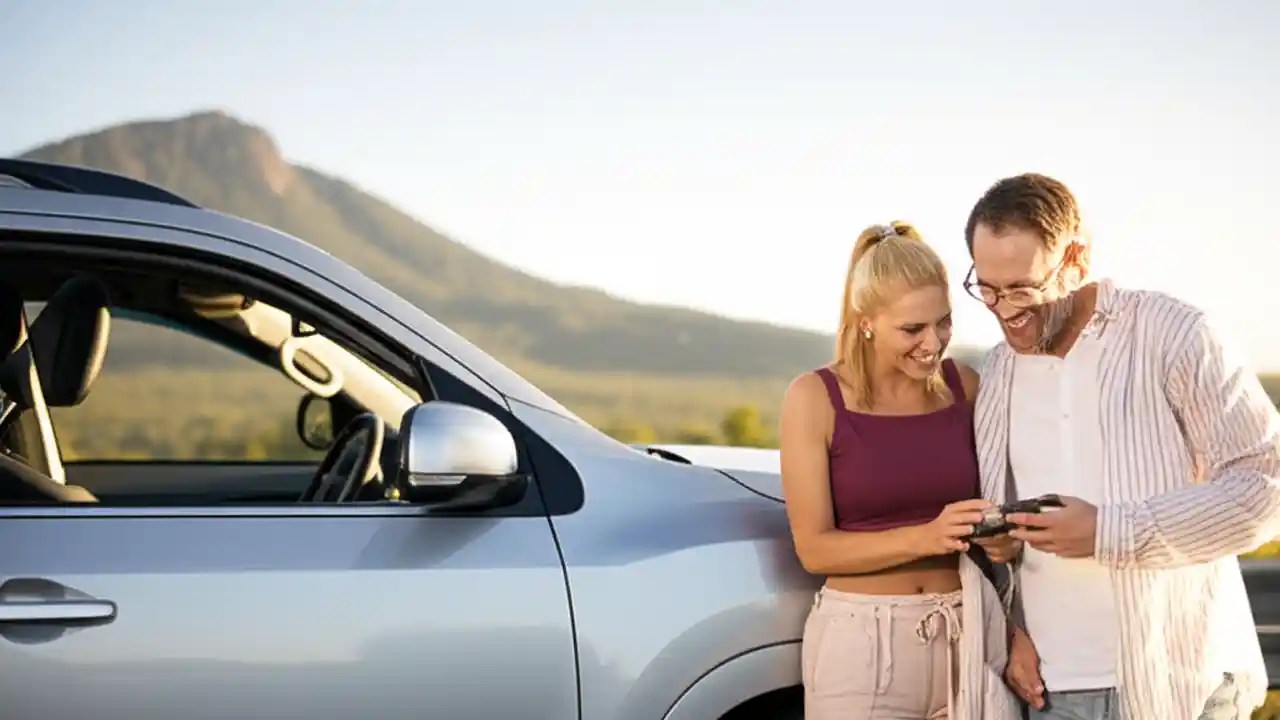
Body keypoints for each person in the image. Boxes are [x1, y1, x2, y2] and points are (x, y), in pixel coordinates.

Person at [961, 172, 1280, 720]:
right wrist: (1010, 622)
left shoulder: (1174, 334)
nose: (1002, 308)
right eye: (986, 288)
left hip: (1182, 680)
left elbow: (1266, 484)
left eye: (1021, 289)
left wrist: (1109, 531)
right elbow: (1003, 545)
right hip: (1052, 692)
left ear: (1077, 259)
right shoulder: (996, 373)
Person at [779, 221, 1020, 720]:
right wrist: (926, 537)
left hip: (969, 634)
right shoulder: (814, 398)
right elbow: (814, 548)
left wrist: (1003, 541)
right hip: (864, 651)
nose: (934, 343)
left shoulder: (966, 387)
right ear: (866, 320)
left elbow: (1000, 513)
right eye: (912, 329)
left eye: (944, 322)